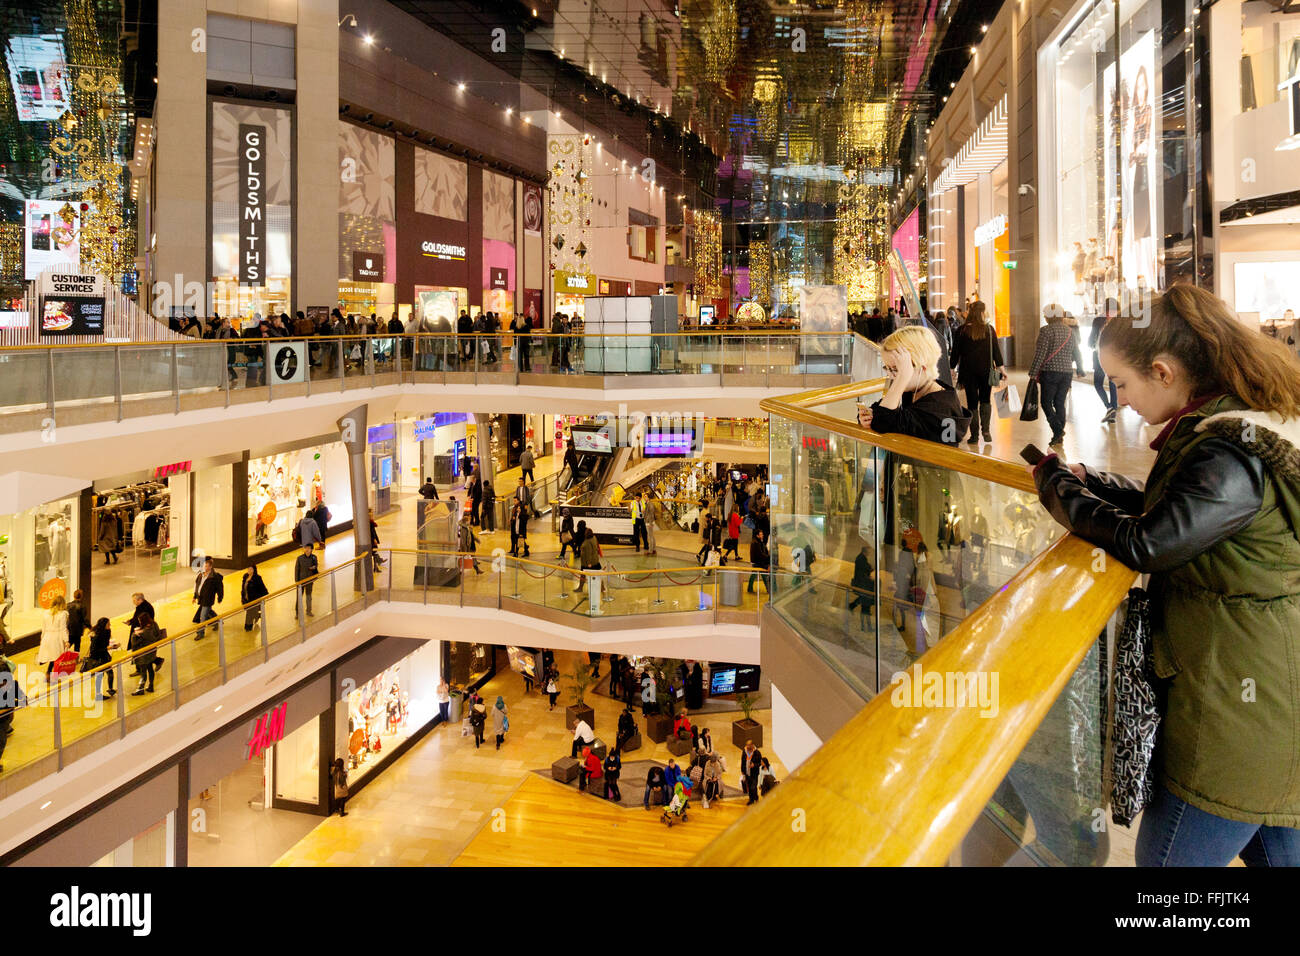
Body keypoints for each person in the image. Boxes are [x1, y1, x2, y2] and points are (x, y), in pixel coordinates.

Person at [1030, 284, 1300, 867]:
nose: (1120, 400)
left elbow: (1151, 542)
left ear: (1164, 371)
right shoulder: (1227, 424)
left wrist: (1057, 490)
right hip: (1261, 692)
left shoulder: (1226, 450)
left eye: (1122, 384)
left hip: (1234, 706)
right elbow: (1181, 513)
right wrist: (1093, 481)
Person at [858, 325, 970, 445]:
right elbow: (879, 410)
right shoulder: (913, 390)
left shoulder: (940, 407)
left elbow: (882, 421)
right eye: (888, 368)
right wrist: (866, 417)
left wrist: (902, 377)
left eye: (896, 369)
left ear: (922, 367)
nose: (891, 376)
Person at [950, 300, 1007, 445]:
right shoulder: (989, 329)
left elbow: (955, 353)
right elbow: (996, 353)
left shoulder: (962, 330)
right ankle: (986, 431)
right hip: (986, 372)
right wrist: (1002, 370)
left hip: (968, 373)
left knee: (972, 403)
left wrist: (951, 369)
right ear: (982, 312)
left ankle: (974, 435)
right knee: (986, 400)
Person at [1027, 304, 1080, 448]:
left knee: (1046, 403)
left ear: (1049, 316)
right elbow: (1076, 352)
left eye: (1045, 314)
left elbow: (1041, 354)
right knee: (1059, 403)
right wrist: (1080, 369)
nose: (1044, 316)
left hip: (1050, 373)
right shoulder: (1070, 331)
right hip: (1067, 373)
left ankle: (1057, 431)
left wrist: (1032, 373)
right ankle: (1059, 436)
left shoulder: (1046, 331)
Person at [1091, 297, 1120, 424]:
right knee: (1112, 383)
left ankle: (1109, 408)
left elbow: (1091, 340)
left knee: (1098, 383)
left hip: (1100, 356)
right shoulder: (1120, 322)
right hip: (1114, 357)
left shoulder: (1098, 321)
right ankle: (1112, 410)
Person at [128, 611, 161, 695]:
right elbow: (157, 635)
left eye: (140, 621)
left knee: (143, 672)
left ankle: (140, 689)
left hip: (144, 653)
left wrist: (135, 634)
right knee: (150, 669)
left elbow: (135, 643)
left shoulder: (145, 632)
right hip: (152, 651)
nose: (139, 622)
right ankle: (151, 686)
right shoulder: (154, 624)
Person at [83, 617, 117, 700]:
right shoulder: (96, 635)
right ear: (103, 625)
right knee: (100, 676)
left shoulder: (107, 631)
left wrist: (112, 646)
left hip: (104, 656)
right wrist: (107, 648)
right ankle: (98, 695)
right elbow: (94, 650)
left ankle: (110, 689)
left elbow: (105, 643)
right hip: (97, 658)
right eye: (108, 624)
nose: (110, 625)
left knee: (110, 673)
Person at [38, 594, 70, 682]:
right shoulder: (63, 614)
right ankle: (55, 676)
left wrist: (42, 638)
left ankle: (49, 673)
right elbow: (63, 628)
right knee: (57, 658)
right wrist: (66, 640)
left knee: (53, 657)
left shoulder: (45, 613)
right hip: (57, 638)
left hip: (47, 637)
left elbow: (43, 628)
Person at [191, 557, 224, 641]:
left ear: (210, 567)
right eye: (204, 566)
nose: (205, 568)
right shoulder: (200, 575)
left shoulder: (214, 577)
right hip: (201, 599)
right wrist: (195, 596)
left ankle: (200, 633)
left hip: (208, 600)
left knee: (202, 617)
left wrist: (220, 597)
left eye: (206, 566)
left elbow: (219, 588)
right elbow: (198, 586)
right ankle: (217, 622)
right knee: (208, 612)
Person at [240, 563, 269, 631]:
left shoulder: (257, 578)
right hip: (246, 599)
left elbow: (263, 588)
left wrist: (263, 597)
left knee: (249, 614)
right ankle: (258, 615)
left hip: (254, 599)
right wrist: (242, 597)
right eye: (248, 568)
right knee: (251, 612)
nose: (249, 570)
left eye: (251, 569)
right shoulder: (245, 576)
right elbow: (243, 588)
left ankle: (248, 626)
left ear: (254, 570)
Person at [293, 544, 318, 620]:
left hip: (310, 580)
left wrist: (314, 567)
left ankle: (309, 611)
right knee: (299, 597)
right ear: (303, 549)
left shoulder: (314, 557)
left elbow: (316, 565)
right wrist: (297, 581)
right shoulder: (299, 558)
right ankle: (297, 613)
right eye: (305, 548)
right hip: (301, 581)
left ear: (311, 549)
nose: (307, 549)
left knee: (309, 596)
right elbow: (296, 570)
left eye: (309, 548)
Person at [575, 527, 600, 593]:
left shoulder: (587, 543)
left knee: (583, 575)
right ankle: (602, 589)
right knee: (598, 574)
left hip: (587, 563)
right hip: (595, 560)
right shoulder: (594, 538)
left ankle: (580, 588)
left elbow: (588, 553)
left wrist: (589, 563)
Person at [747, 528, 770, 595]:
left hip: (758, 562)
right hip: (758, 562)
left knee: (755, 575)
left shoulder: (759, 541)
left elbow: (763, 551)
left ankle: (750, 588)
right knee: (763, 575)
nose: (762, 535)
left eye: (762, 534)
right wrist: (768, 557)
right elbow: (760, 554)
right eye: (761, 534)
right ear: (757, 535)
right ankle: (768, 589)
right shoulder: (756, 543)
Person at [740, 739, 762, 805]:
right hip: (747, 773)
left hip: (754, 773)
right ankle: (751, 799)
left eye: (749, 745)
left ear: (752, 745)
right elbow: (742, 761)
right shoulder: (744, 751)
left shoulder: (757, 752)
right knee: (749, 787)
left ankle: (756, 797)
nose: (747, 746)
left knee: (753, 787)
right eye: (747, 745)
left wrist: (754, 765)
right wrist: (742, 771)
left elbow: (760, 763)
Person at [65, 588, 88, 653]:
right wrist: (89, 626)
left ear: (74, 596)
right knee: (77, 646)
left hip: (69, 628)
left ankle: (62, 658)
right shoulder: (83, 606)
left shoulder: (68, 605)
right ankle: (75, 659)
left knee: (68, 644)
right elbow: (83, 619)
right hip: (78, 630)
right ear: (81, 596)